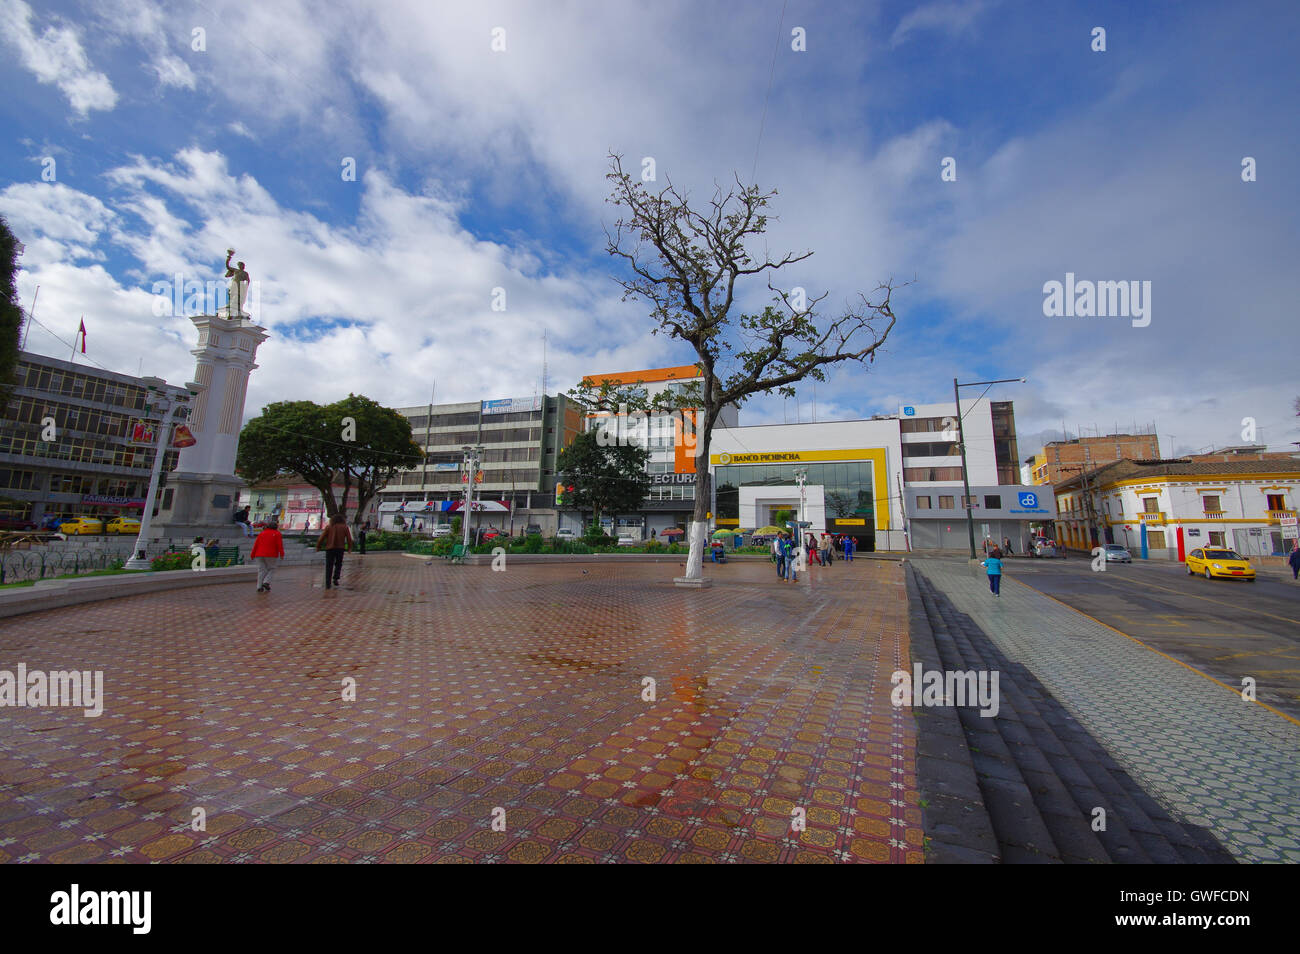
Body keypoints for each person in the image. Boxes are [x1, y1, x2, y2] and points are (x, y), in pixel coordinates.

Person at [317, 513, 354, 590]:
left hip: (329, 548)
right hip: (340, 548)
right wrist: (349, 548)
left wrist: (318, 546)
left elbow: (321, 538)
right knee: (338, 564)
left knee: (329, 565)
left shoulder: (329, 527)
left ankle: (328, 583)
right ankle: (336, 578)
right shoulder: (345, 527)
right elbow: (349, 538)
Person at [251, 520, 284, 593]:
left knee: (261, 570)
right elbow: (279, 545)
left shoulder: (262, 533)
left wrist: (252, 554)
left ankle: (259, 587)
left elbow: (256, 545)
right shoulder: (277, 533)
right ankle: (266, 582)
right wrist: (281, 554)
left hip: (259, 554)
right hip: (271, 554)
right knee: (272, 569)